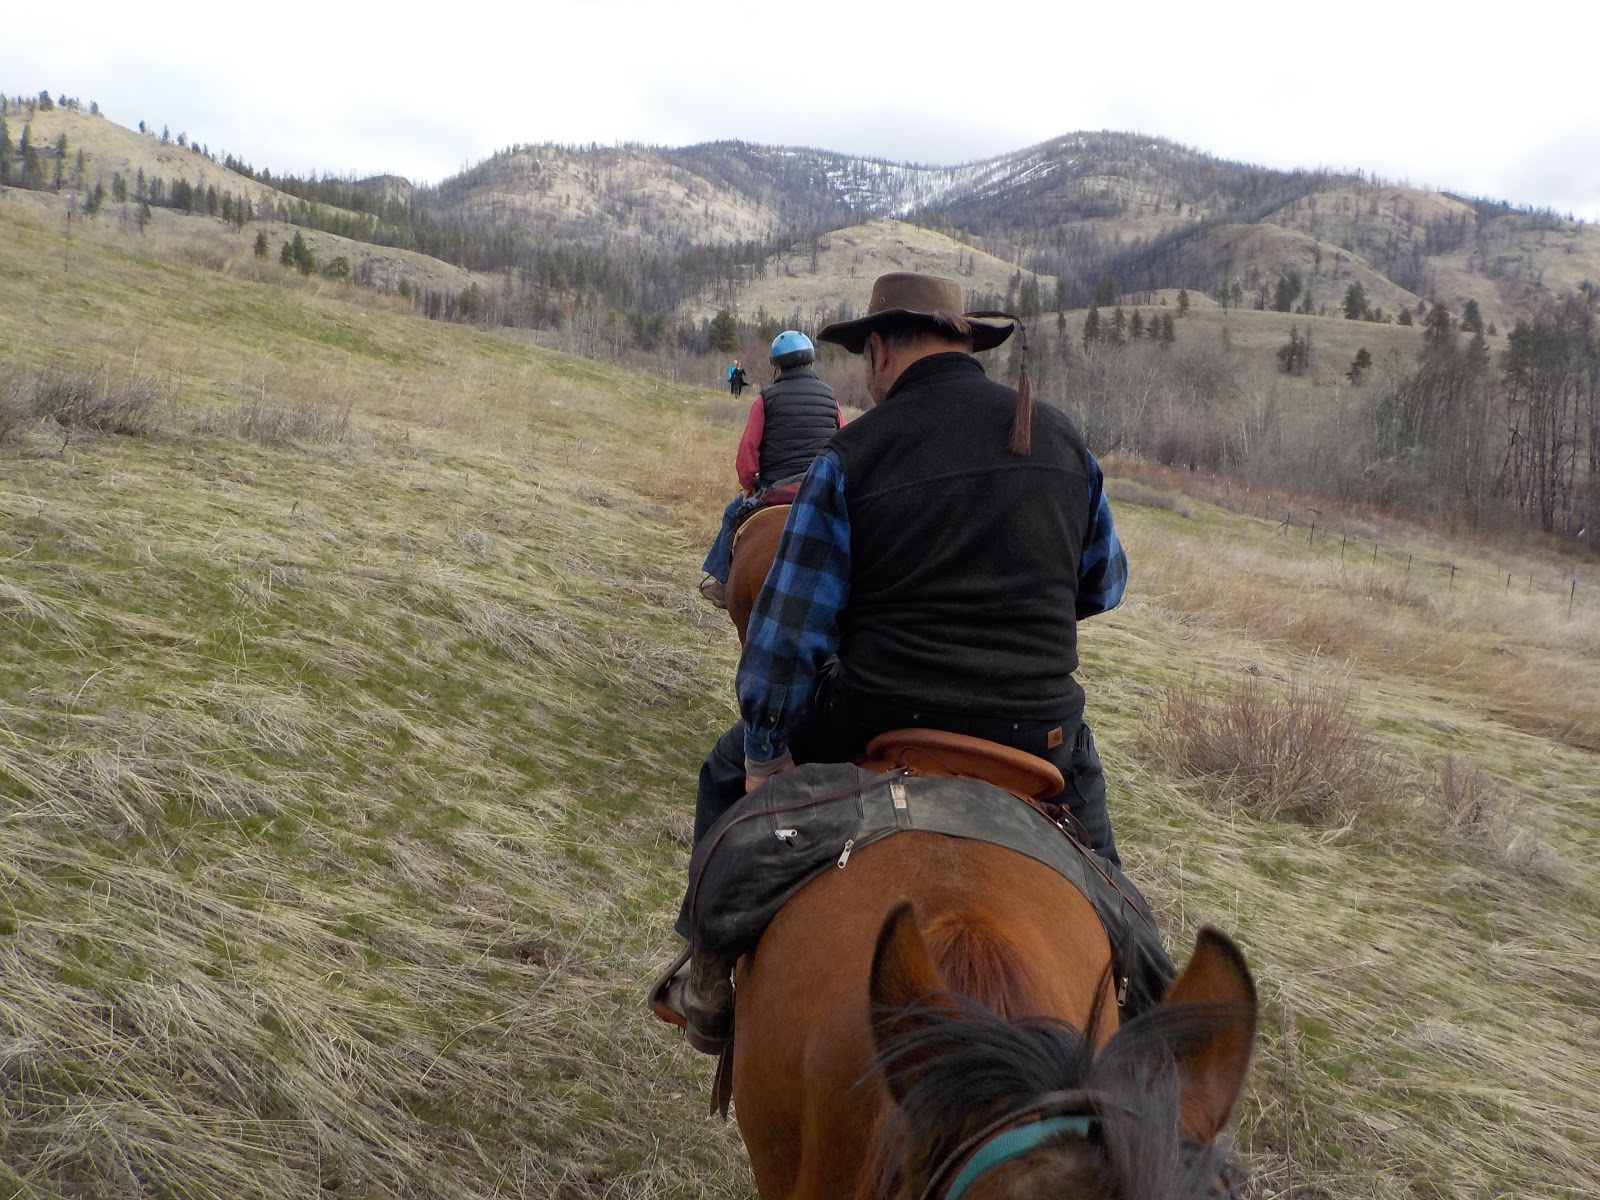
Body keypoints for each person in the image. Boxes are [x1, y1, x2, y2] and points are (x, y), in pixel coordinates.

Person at [672, 271, 1133, 1047]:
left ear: (880, 350)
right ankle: (1141, 992)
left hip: (884, 712)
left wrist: (763, 751)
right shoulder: (1062, 441)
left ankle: (709, 977)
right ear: (965, 341)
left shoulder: (855, 454)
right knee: (1121, 901)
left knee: (723, 775)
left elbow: (787, 634)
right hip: (1040, 733)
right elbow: (1102, 585)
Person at [700, 331, 842, 608]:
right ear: (811, 364)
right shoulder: (831, 398)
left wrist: (748, 484)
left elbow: (749, 447)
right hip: (819, 492)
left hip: (776, 490)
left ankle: (722, 582)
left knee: (732, 515)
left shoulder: (767, 398)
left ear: (777, 367)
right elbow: (843, 442)